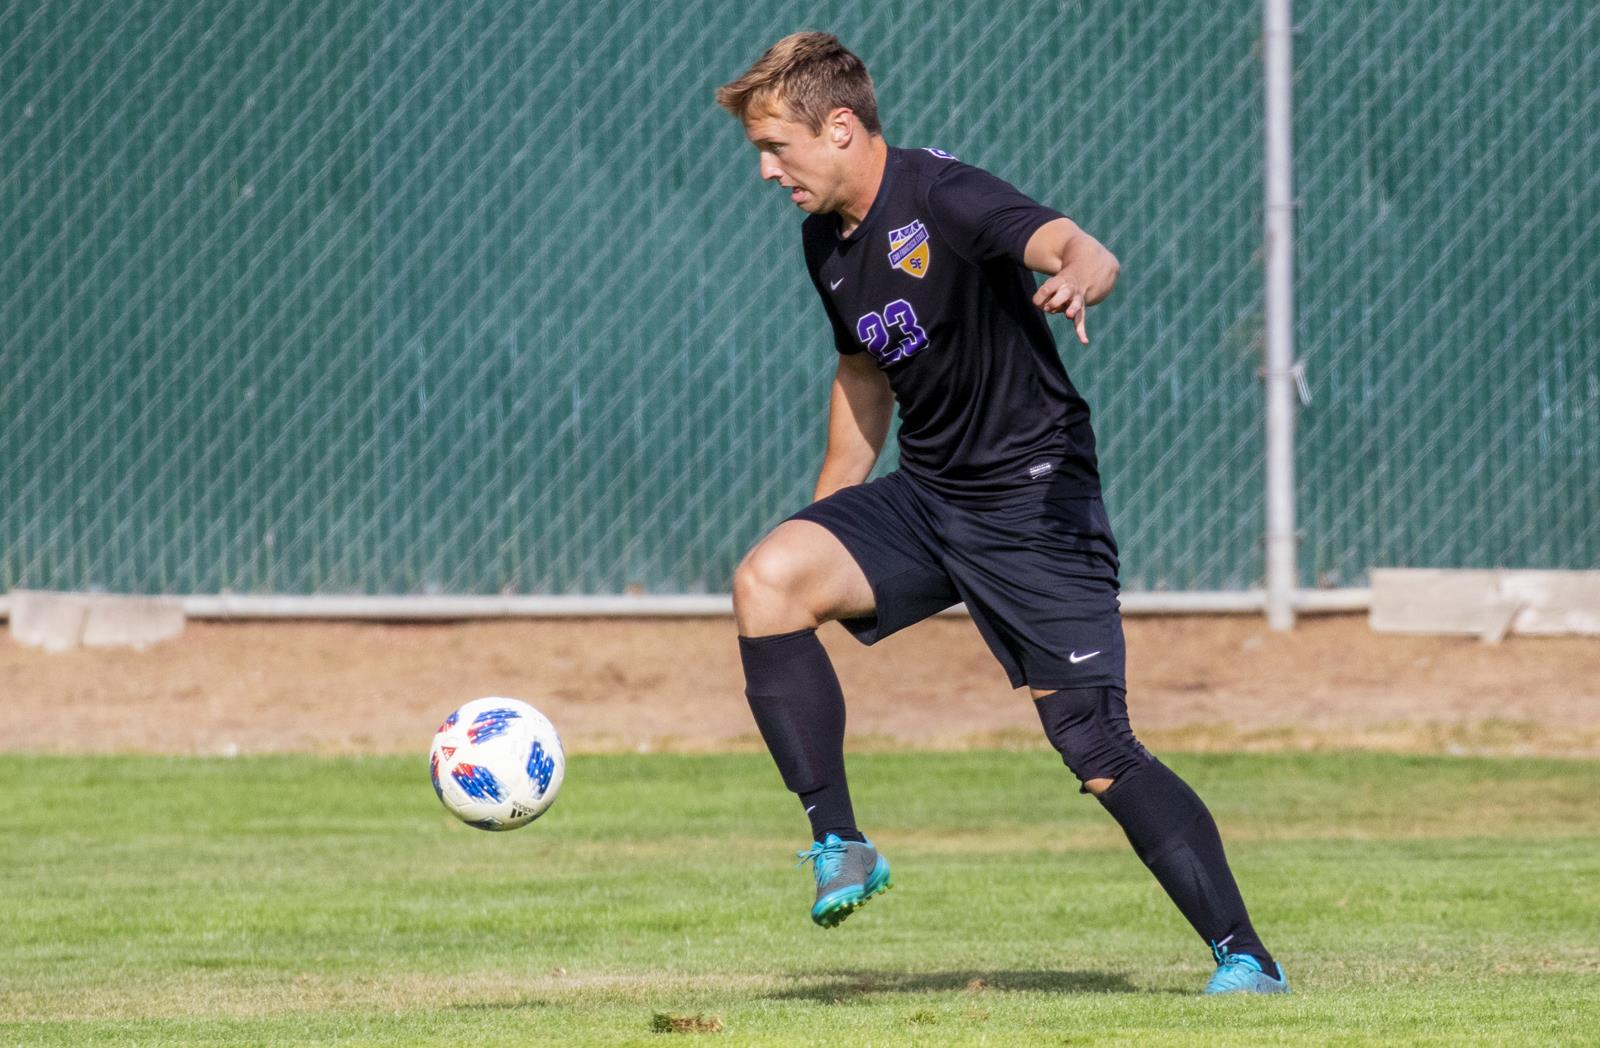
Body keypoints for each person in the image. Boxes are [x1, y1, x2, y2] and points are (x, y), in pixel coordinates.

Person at [715, 32, 1289, 996]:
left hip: (1035, 503)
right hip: (932, 496)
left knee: (1097, 748)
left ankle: (1245, 956)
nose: (769, 170)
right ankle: (841, 845)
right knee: (767, 581)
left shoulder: (944, 194)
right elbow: (863, 375)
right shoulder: (825, 239)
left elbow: (1072, 243)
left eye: (779, 147)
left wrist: (1079, 272)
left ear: (843, 126)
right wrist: (827, 520)